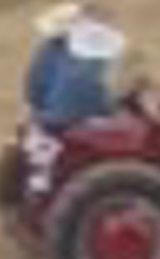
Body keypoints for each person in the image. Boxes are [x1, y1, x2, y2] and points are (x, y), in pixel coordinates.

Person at [23, 11, 130, 196]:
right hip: (71, 124)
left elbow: (34, 90)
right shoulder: (87, 68)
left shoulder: (50, 54)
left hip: (46, 121)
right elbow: (95, 100)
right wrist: (115, 109)